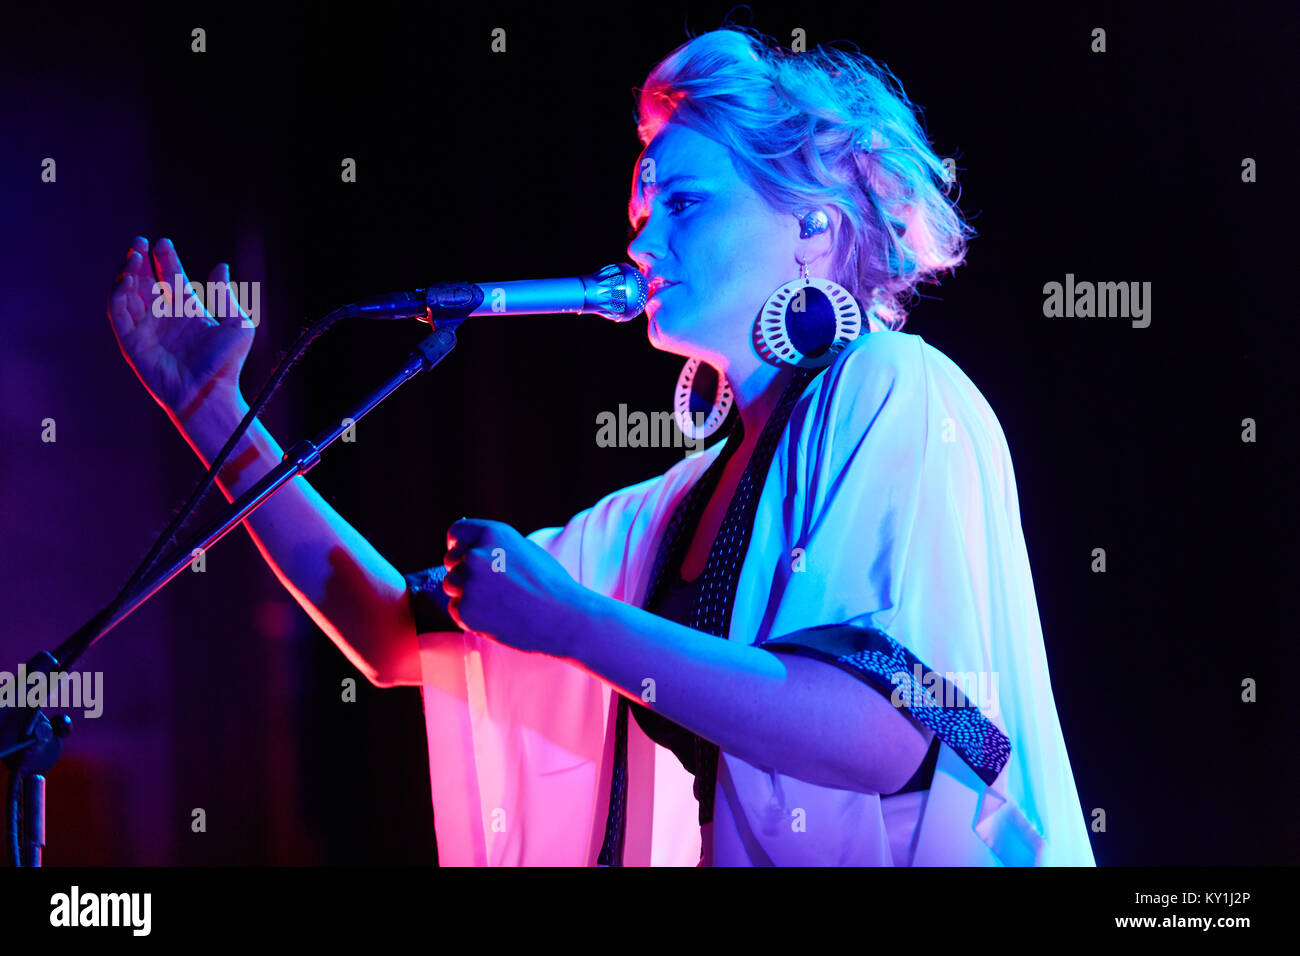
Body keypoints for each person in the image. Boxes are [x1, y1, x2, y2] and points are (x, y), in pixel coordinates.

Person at [107, 26, 1095, 866]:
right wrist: (210, 413)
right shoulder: (675, 506)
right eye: (637, 214)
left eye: (685, 204)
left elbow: (887, 727)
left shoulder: (893, 387)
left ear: (812, 228)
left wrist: (574, 621)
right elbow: (392, 633)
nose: (641, 242)